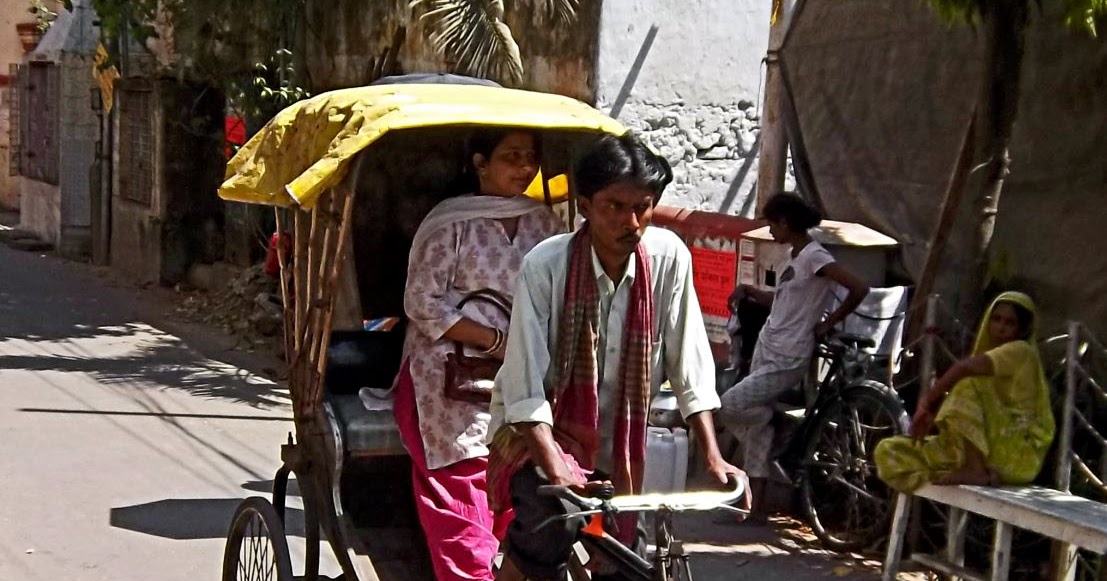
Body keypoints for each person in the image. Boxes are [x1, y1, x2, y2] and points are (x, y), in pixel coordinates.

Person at [486, 133, 749, 581]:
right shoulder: (546, 265)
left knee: (628, 556)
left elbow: (690, 361)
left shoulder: (669, 258)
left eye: (642, 207)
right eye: (614, 206)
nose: (631, 222)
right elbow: (525, 385)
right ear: (584, 206)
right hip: (538, 437)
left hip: (620, 443)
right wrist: (559, 473)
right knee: (551, 531)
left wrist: (712, 455)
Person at [393, 128, 564, 581]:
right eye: (512, 156)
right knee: (461, 490)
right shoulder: (450, 223)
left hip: (522, 374)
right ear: (480, 162)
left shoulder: (546, 224)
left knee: (524, 483)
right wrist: (494, 341)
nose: (525, 168)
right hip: (446, 378)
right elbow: (421, 302)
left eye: (531, 157)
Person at [718, 192, 869, 518]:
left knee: (729, 405)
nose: (771, 231)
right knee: (757, 437)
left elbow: (858, 288)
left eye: (773, 224)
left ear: (786, 223)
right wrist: (749, 291)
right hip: (769, 347)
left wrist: (828, 322)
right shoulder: (796, 257)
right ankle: (757, 511)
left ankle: (776, 423)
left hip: (788, 356)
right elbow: (783, 303)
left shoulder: (815, 256)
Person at [875, 291, 1055, 493]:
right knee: (889, 450)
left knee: (966, 385)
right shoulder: (992, 363)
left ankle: (976, 470)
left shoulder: (1021, 350)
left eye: (1009, 323)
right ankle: (981, 471)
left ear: (1022, 330)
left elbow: (964, 369)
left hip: (1018, 454)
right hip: (988, 451)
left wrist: (926, 403)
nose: (1001, 327)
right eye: (996, 319)